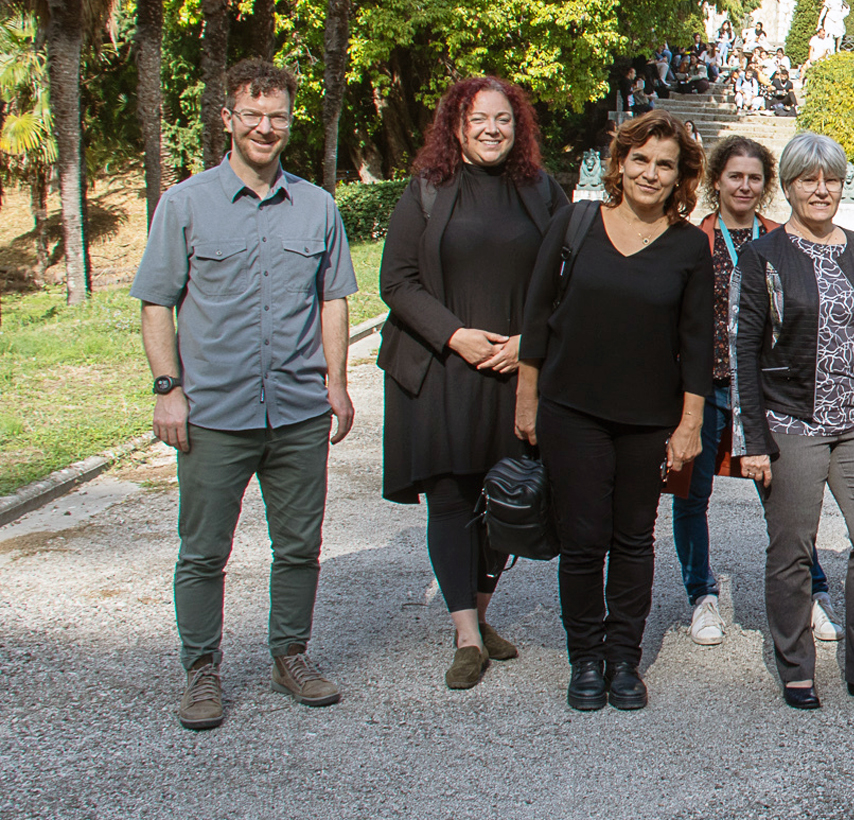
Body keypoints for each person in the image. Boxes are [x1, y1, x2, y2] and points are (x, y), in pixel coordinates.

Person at [134, 59, 357, 730]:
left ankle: (291, 656)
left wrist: (338, 383)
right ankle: (201, 671)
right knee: (204, 550)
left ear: (290, 122)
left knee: (299, 545)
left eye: (278, 116)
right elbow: (156, 304)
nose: (265, 127)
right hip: (214, 413)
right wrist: (167, 390)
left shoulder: (318, 206)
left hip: (296, 410)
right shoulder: (185, 204)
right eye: (252, 115)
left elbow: (335, 301)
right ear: (227, 120)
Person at [377, 77, 569, 690]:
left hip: (516, 372)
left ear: (519, 129)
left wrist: (528, 345)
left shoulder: (542, 191)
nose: (492, 129)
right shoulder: (427, 191)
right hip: (442, 370)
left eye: (504, 120)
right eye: (480, 119)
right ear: (456, 124)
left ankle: (482, 616)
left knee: (508, 499)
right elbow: (398, 281)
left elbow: (573, 278)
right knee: (453, 497)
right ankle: (465, 634)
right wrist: (455, 335)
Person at [516, 111, 711, 712]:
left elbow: (698, 341)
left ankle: (624, 657)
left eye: (665, 165)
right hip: (572, 410)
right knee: (581, 539)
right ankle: (585, 658)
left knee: (632, 539)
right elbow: (535, 314)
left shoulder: (687, 246)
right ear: (620, 164)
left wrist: (690, 422)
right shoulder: (576, 223)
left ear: (681, 177)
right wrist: (527, 397)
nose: (651, 173)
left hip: (648, 418)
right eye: (641, 160)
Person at [734, 132, 854, 711]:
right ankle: (796, 669)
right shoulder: (765, 255)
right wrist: (753, 441)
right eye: (807, 180)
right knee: (792, 546)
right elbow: (745, 348)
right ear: (788, 185)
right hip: (791, 423)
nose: (821, 190)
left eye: (831, 180)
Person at [674, 135, 843, 648]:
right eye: (734, 176)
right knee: (691, 496)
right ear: (716, 181)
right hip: (706, 387)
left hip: (769, 390)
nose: (744, 186)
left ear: (767, 185)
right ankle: (701, 595)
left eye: (754, 177)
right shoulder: (695, 240)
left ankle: (812, 591)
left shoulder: (780, 238)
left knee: (787, 497)